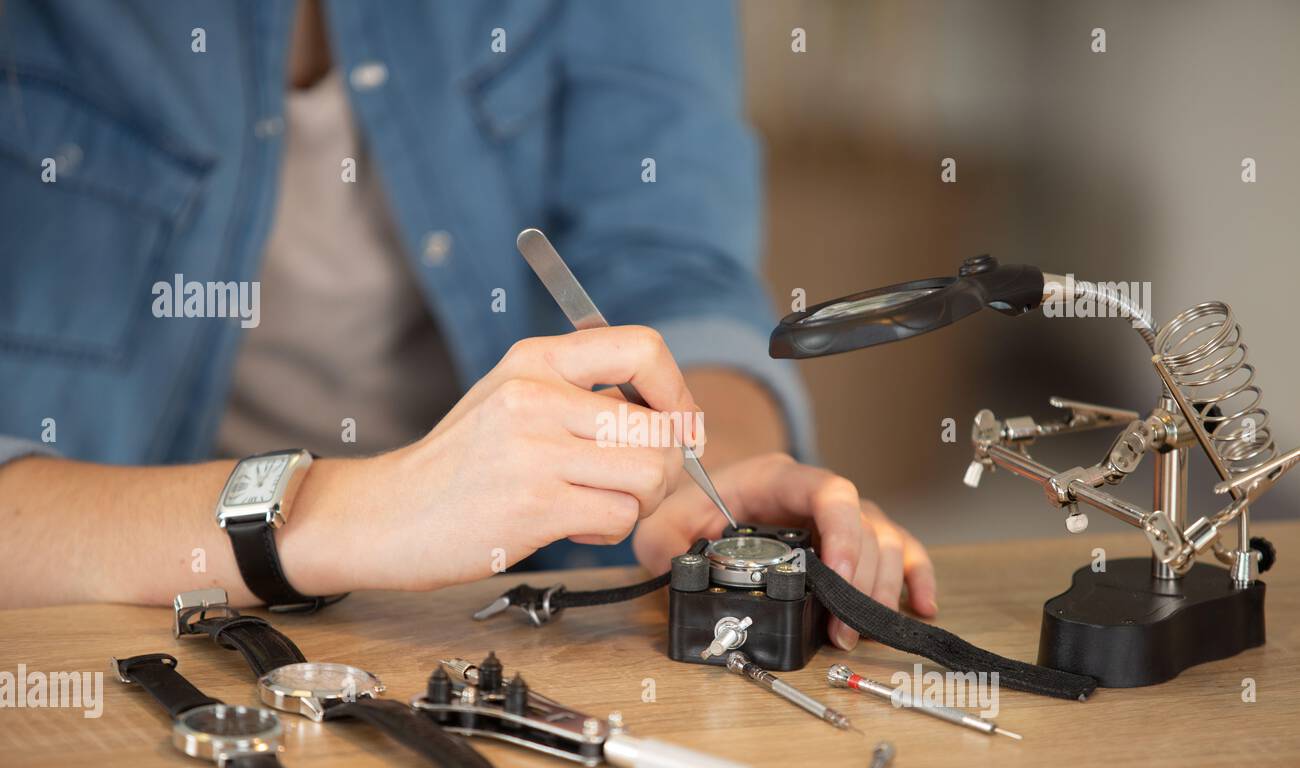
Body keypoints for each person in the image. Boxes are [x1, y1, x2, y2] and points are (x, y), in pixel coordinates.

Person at [0, 0, 936, 649]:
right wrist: (349, 509)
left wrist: (707, 476)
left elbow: (671, 262)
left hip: (503, 610)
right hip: (100, 617)